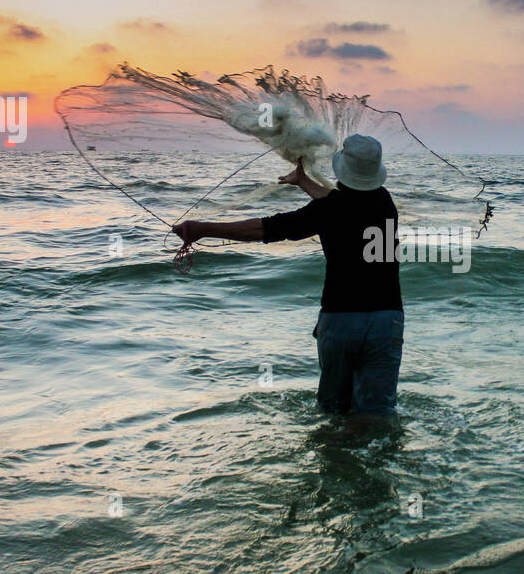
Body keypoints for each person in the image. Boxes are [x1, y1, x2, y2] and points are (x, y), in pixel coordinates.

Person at [172, 134, 403, 415]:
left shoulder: (327, 210)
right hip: (386, 319)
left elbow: (266, 229)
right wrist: (304, 182)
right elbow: (338, 202)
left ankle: (340, 455)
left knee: (335, 409)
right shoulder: (384, 203)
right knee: (377, 412)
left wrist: (202, 229)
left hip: (342, 318)